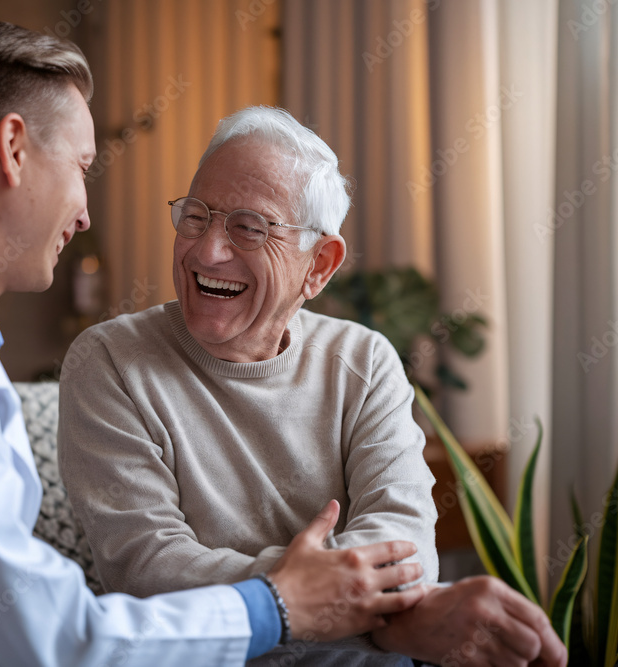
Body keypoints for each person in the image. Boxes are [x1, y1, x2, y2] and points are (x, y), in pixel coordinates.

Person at [0, 21, 435, 667]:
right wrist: (281, 603)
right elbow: (49, 638)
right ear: (15, 148)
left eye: (248, 226)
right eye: (83, 168)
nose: (87, 213)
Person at [57, 106, 568, 666]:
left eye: (249, 228)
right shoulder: (109, 362)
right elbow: (148, 572)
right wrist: (375, 620)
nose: (206, 251)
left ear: (319, 265)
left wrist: (329, 605)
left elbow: (405, 540)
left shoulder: (364, 362)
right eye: (197, 216)